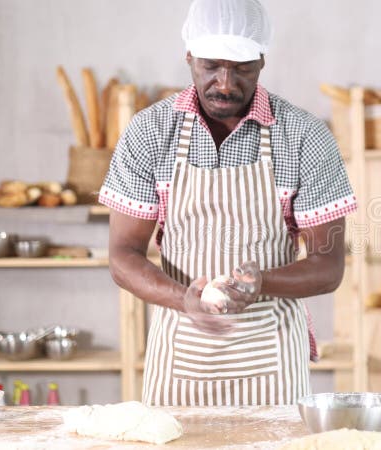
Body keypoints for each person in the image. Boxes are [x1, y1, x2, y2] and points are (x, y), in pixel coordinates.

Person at [99, 0, 357, 406]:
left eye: (242, 68)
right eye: (211, 66)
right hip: (180, 357)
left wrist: (260, 283)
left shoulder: (304, 136)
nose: (225, 83)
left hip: (272, 362)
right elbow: (122, 256)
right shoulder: (150, 132)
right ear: (189, 56)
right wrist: (184, 299)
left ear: (262, 61)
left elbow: (329, 267)